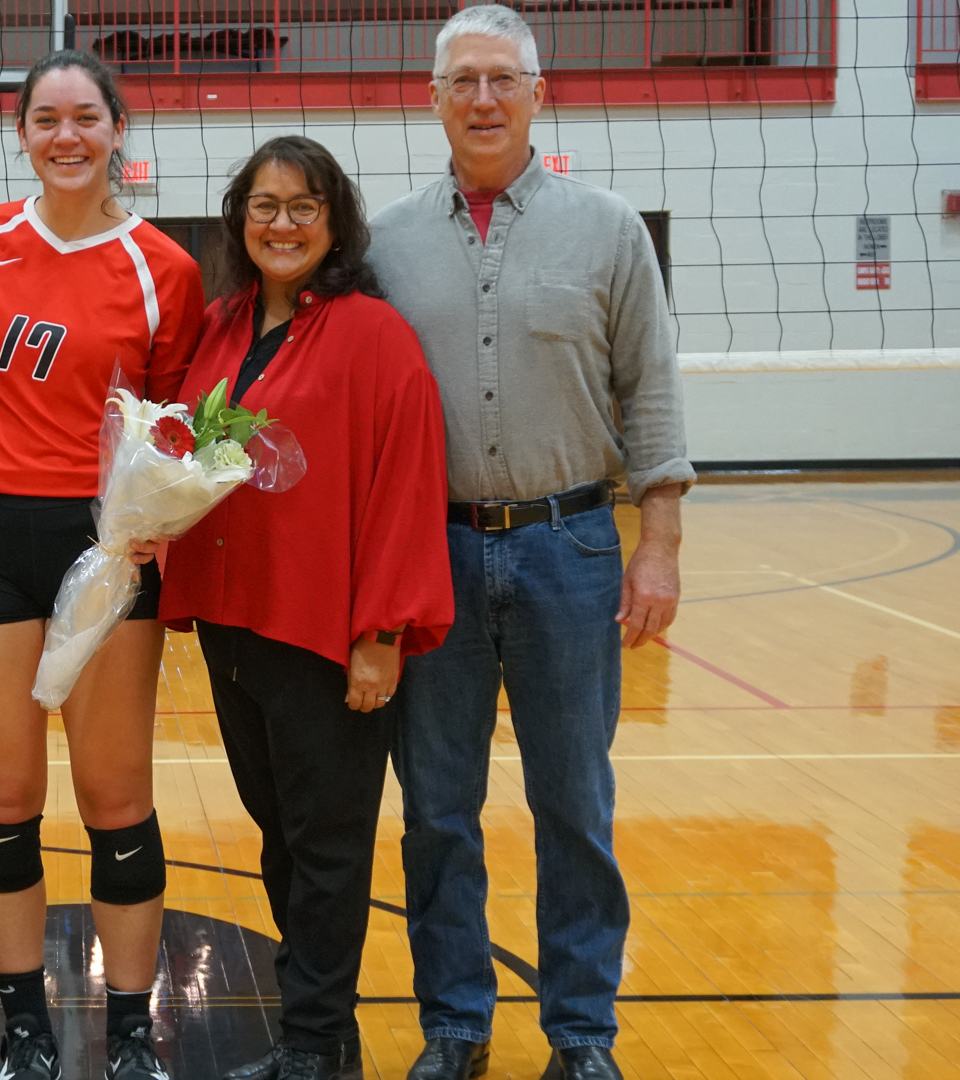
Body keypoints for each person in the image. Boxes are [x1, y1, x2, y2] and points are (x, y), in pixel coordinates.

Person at [364, 8, 692, 1080]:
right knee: (437, 812)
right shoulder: (383, 243)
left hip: (572, 547)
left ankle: (583, 1034)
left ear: (538, 94)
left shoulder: (609, 230)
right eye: (463, 80)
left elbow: (652, 396)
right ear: (433, 99)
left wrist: (659, 545)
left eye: (503, 78)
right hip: (433, 559)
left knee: (575, 808)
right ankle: (455, 1026)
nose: (484, 99)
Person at [156, 135, 455, 1080]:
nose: (281, 224)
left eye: (302, 207)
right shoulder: (222, 324)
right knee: (280, 837)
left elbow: (406, 486)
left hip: (324, 629)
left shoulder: (375, 334)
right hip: (235, 623)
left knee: (326, 847)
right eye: (264, 206)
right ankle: (320, 1034)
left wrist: (382, 633)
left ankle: (317, 1045)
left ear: (335, 223)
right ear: (239, 218)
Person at [0, 50, 206, 1080]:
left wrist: (153, 527)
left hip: (105, 543)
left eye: (85, 116)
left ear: (117, 128)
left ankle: (131, 1031)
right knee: (3, 793)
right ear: (21, 135)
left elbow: (175, 430)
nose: (66, 136)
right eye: (45, 119)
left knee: (116, 794)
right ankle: (26, 1031)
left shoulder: (163, 267)